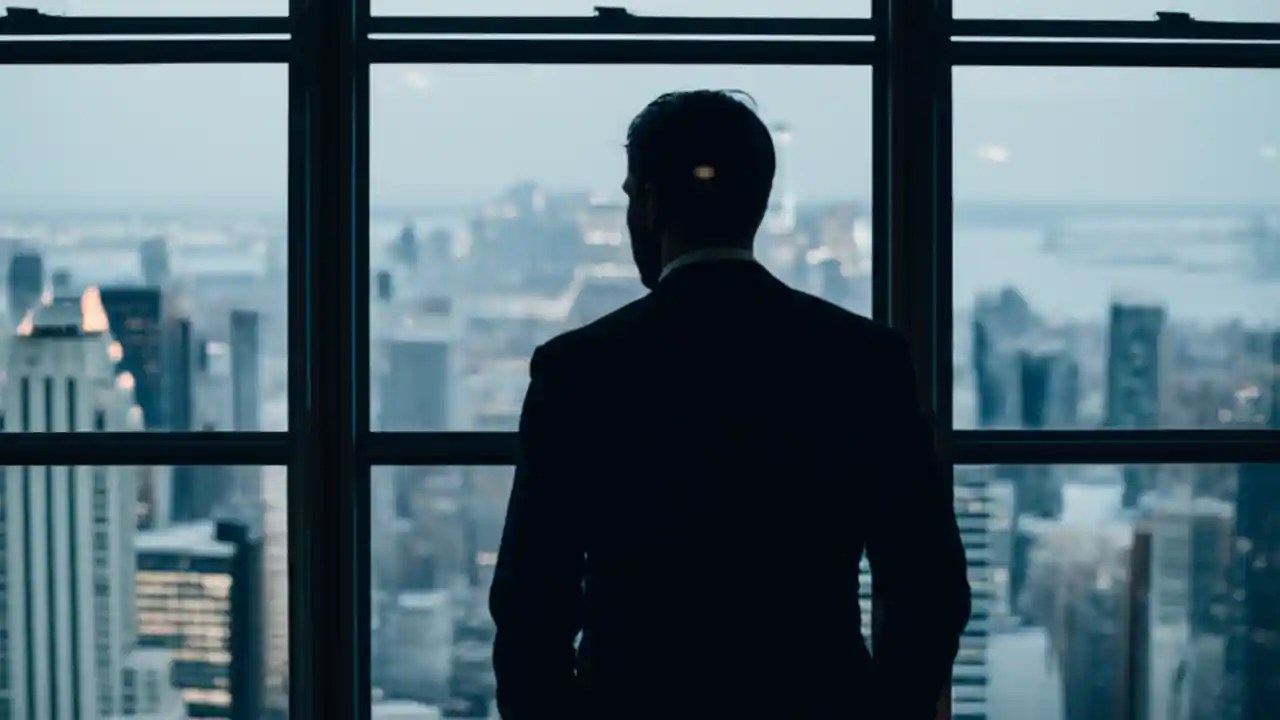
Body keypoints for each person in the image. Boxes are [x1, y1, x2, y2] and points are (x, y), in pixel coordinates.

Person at [490, 89, 971, 719]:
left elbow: (531, 603)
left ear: (651, 205)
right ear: (759, 202)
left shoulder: (580, 369)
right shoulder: (864, 361)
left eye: (632, 196)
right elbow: (926, 582)